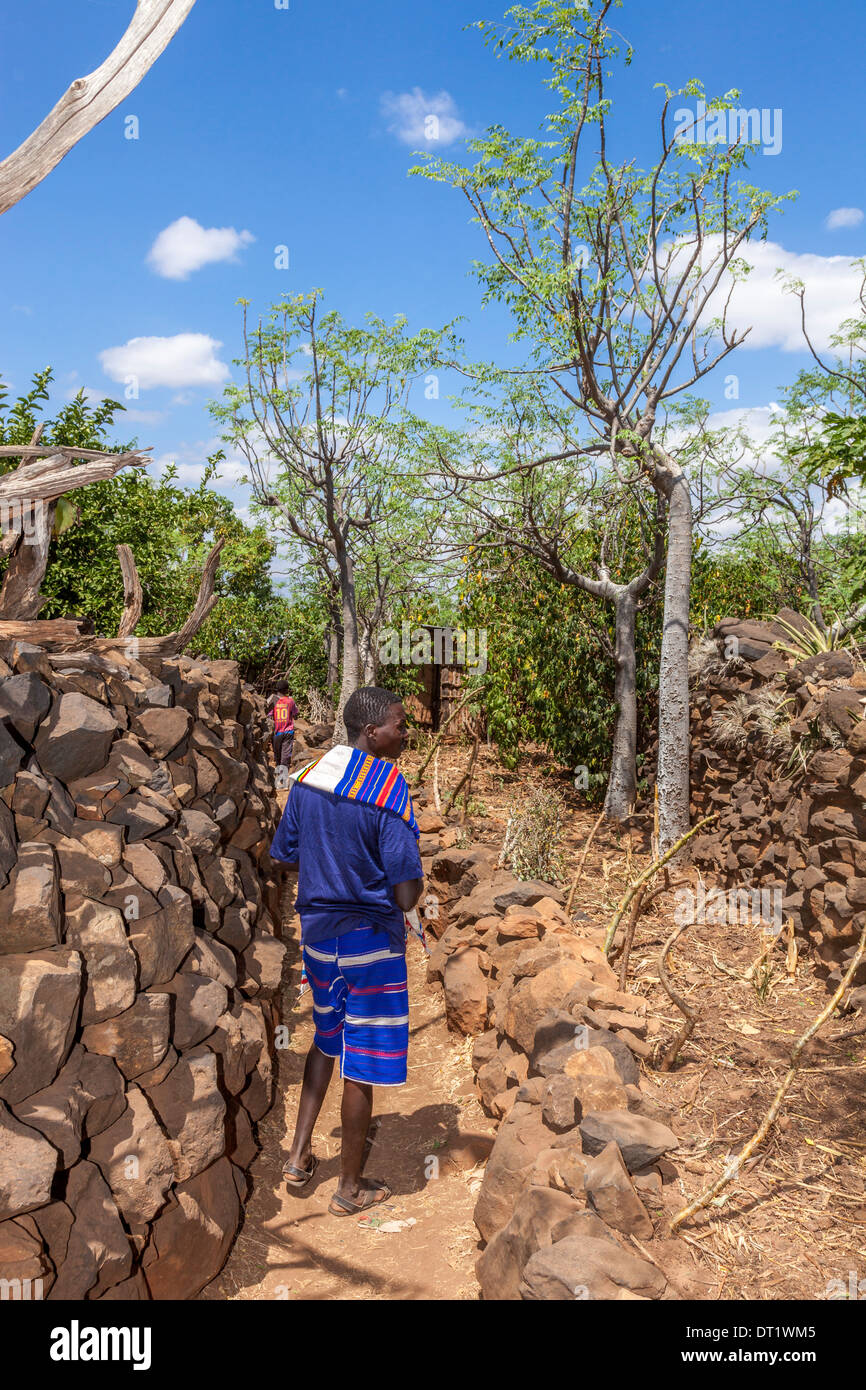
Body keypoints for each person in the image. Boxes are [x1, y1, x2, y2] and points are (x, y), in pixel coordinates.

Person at [269, 686, 423, 1216]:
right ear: (370, 731)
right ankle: (349, 1188)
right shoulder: (388, 789)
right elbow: (405, 894)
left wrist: (327, 865)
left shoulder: (310, 780)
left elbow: (284, 851)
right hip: (370, 942)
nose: (404, 734)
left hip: (318, 937)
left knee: (326, 1037)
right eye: (399, 726)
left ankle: (297, 1154)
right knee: (364, 1058)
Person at [268, 681, 299, 771]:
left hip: (277, 733)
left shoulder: (273, 700)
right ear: (287, 690)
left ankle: (279, 777)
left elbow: (268, 715)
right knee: (285, 756)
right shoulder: (290, 701)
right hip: (288, 731)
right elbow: (296, 714)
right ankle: (282, 780)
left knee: (277, 755)